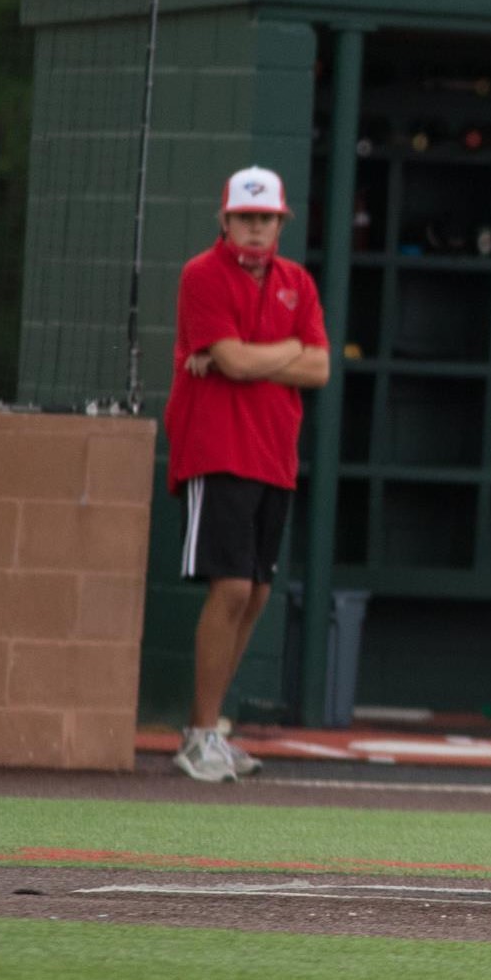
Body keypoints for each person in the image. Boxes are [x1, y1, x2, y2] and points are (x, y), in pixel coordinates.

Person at [164, 166, 330, 782]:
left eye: (267, 219)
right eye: (246, 218)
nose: (256, 229)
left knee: (257, 592)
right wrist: (284, 351)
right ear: (225, 220)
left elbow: (319, 369)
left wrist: (263, 357)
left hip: (273, 453)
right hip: (216, 445)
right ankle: (199, 733)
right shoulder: (201, 274)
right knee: (231, 587)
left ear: (280, 222)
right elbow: (229, 361)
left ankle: (213, 732)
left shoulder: (298, 282)